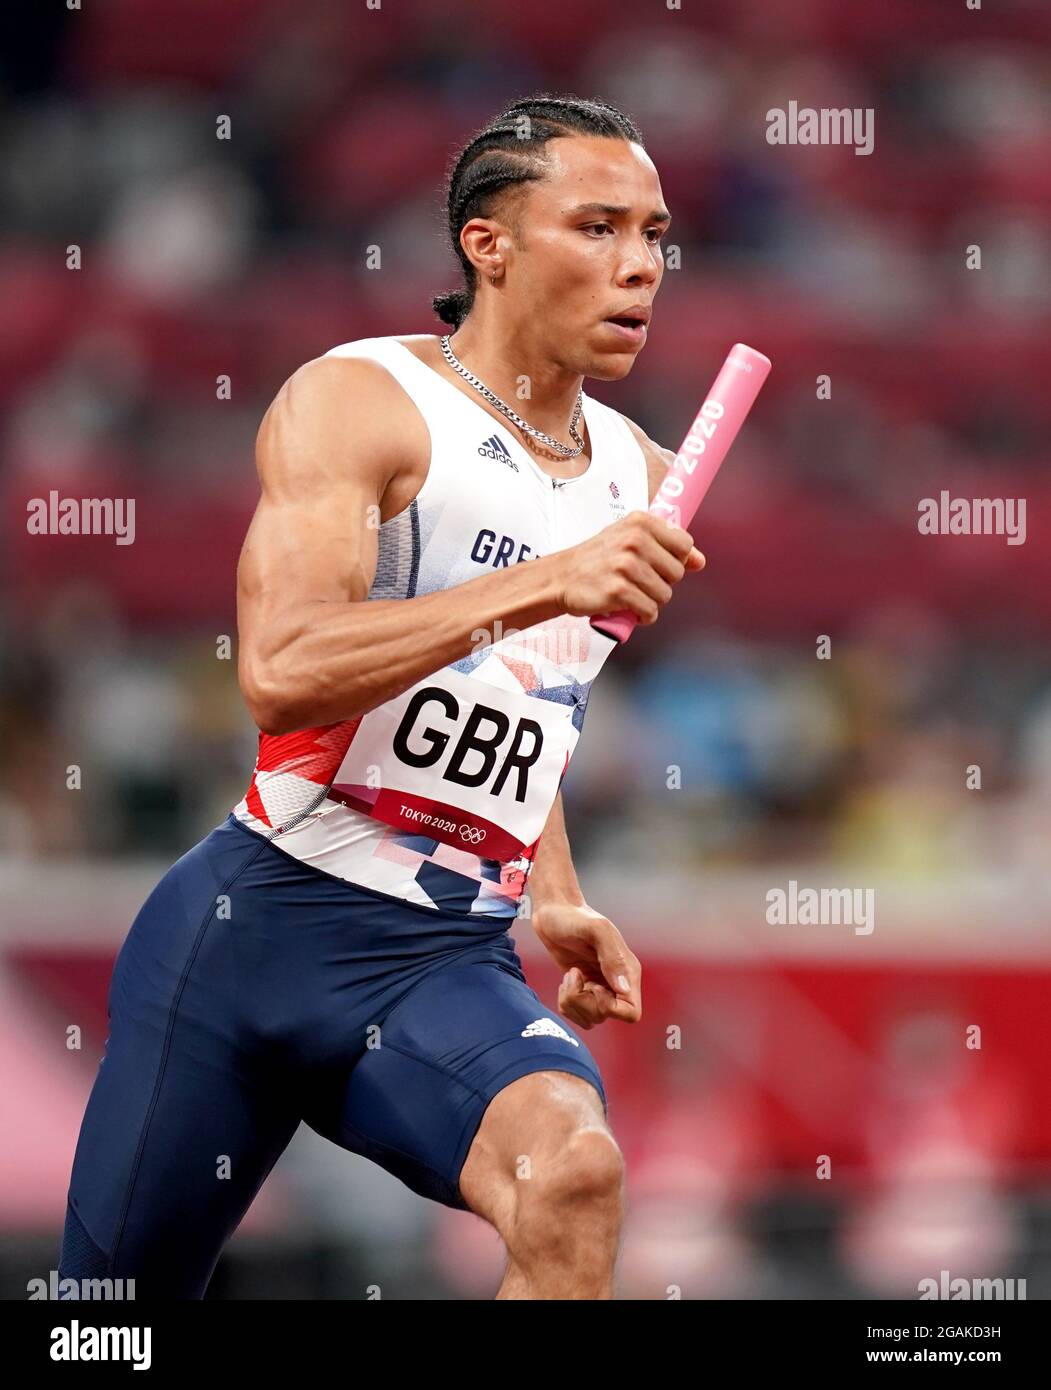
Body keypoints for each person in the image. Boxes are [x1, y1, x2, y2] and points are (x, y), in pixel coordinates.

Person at [59, 93, 705, 1300]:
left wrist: (552, 892)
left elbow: (532, 698)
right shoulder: (362, 401)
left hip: (440, 956)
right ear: (488, 242)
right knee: (104, 1326)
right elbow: (282, 671)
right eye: (599, 226)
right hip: (252, 935)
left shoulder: (644, 477)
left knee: (573, 1180)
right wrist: (548, 579)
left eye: (657, 235)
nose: (640, 265)